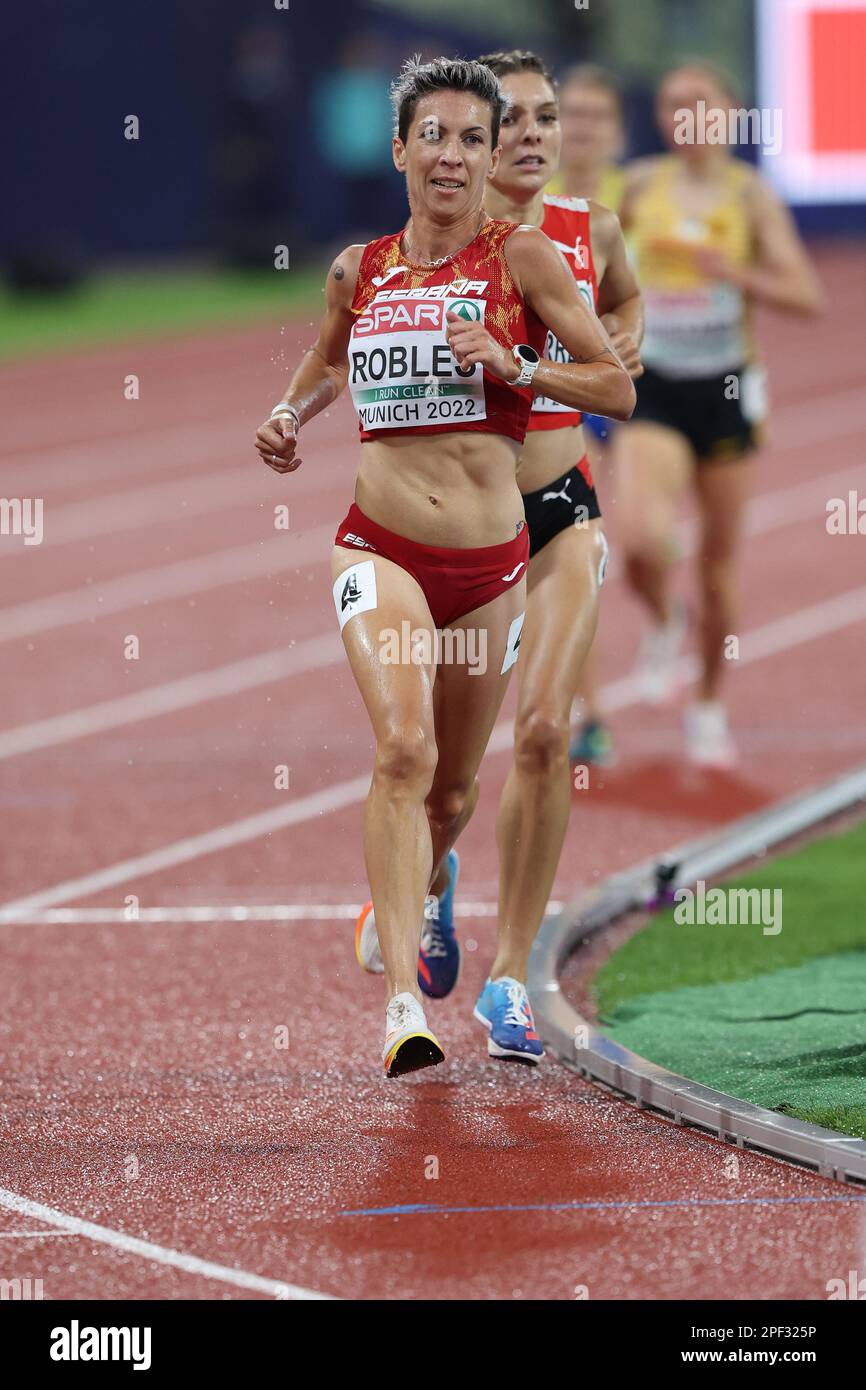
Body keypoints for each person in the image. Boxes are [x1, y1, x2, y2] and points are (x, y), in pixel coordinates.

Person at [255, 57, 635, 1078]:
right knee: (402, 751)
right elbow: (331, 359)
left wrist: (515, 364)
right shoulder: (359, 267)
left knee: (454, 789)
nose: (455, 155)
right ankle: (398, 1014)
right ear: (399, 151)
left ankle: (428, 881)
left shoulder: (526, 261)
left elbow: (612, 380)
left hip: (492, 557)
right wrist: (290, 414)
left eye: (473, 138)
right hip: (379, 546)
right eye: (437, 136)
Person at [613, 61, 823, 766]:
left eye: (699, 103)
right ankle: (665, 619)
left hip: (727, 391)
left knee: (717, 566)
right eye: (673, 105)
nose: (685, 117)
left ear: (730, 112)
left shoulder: (751, 197)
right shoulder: (640, 187)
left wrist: (734, 273)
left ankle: (706, 707)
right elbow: (595, 266)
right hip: (656, 385)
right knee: (640, 539)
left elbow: (805, 296)